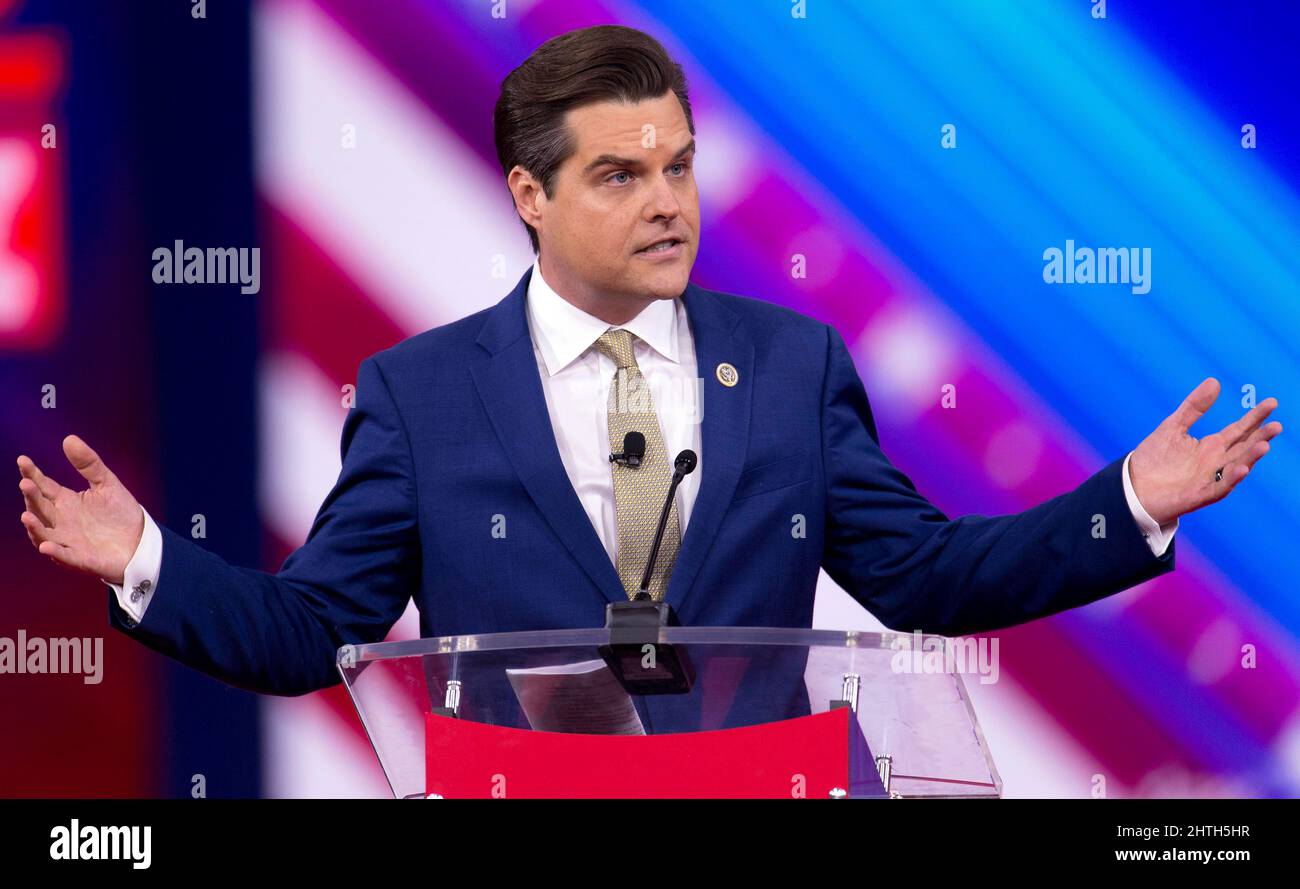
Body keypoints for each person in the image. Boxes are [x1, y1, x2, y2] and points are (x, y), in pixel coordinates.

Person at [15, 25, 1282, 696]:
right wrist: (144, 558)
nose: (667, 200)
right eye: (620, 174)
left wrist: (1128, 504)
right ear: (529, 192)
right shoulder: (422, 394)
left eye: (677, 165)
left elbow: (925, 575)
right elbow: (309, 633)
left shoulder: (792, 363)